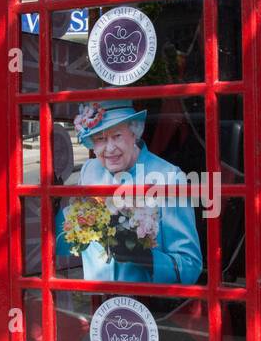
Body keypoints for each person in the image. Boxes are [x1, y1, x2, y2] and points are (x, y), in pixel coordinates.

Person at [58, 102, 202, 285]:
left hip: (147, 307)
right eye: (100, 139)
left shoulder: (169, 177)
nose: (109, 149)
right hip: (97, 304)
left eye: (116, 136)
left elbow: (190, 267)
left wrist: (145, 258)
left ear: (134, 133)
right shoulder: (89, 170)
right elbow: (67, 242)